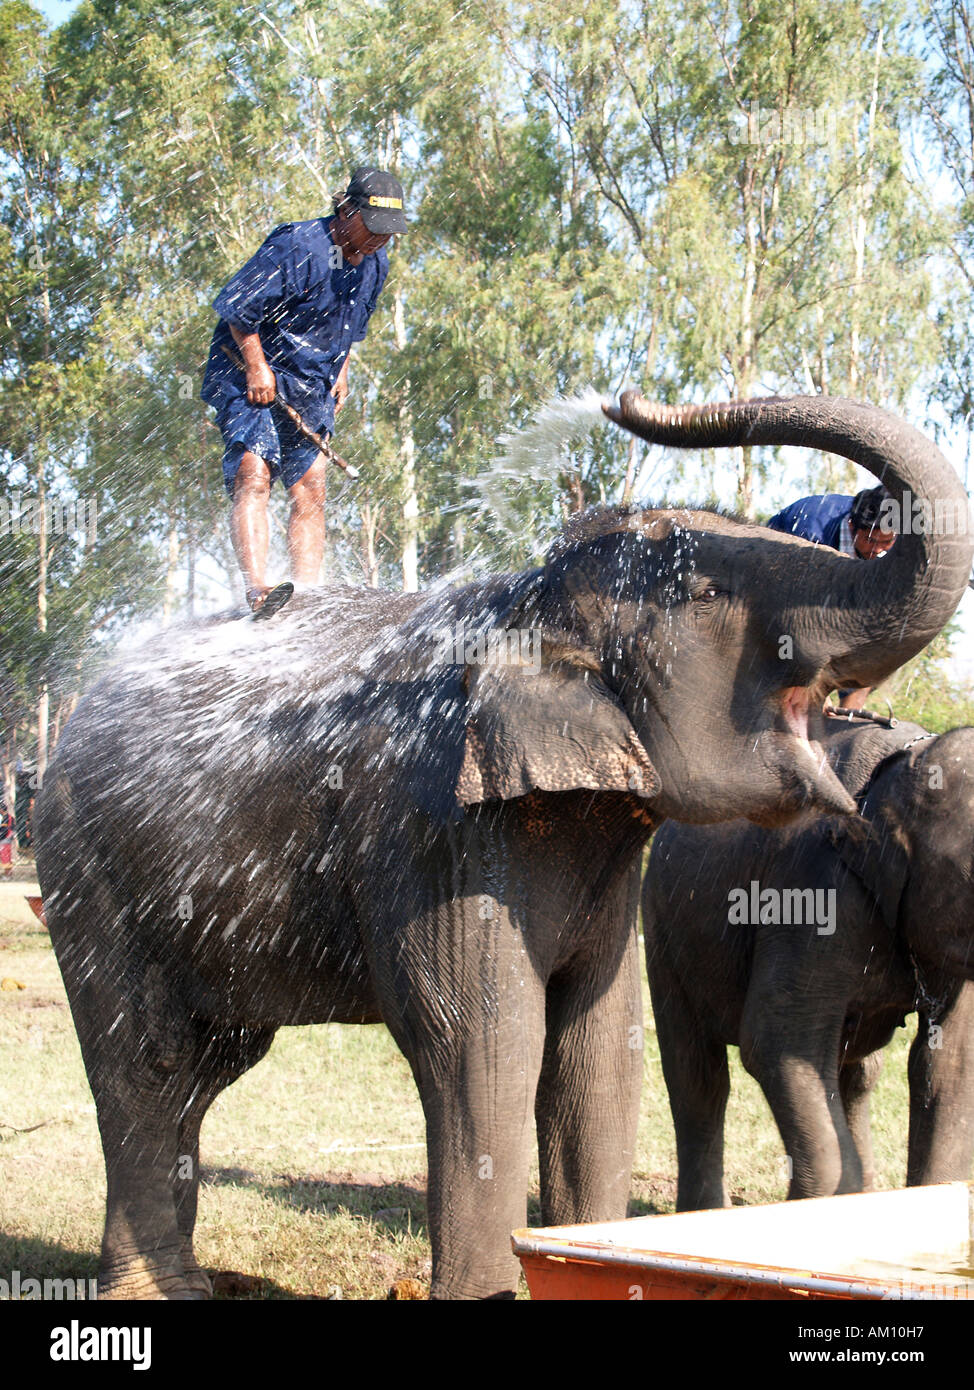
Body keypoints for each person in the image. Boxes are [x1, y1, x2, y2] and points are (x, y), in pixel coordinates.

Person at [201, 168, 408, 616]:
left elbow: (353, 329)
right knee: (254, 472)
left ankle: (307, 597)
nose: (378, 240)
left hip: (313, 381)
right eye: (372, 228)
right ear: (346, 211)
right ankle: (257, 590)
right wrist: (257, 368)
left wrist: (343, 371)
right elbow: (239, 310)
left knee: (312, 487)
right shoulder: (296, 246)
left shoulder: (376, 264)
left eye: (388, 234)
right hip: (248, 370)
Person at [767, 485, 895, 710]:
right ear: (852, 525)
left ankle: (849, 711)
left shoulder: (896, 538)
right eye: (871, 541)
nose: (878, 550)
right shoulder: (810, 531)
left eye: (886, 542)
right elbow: (793, 615)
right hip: (780, 585)